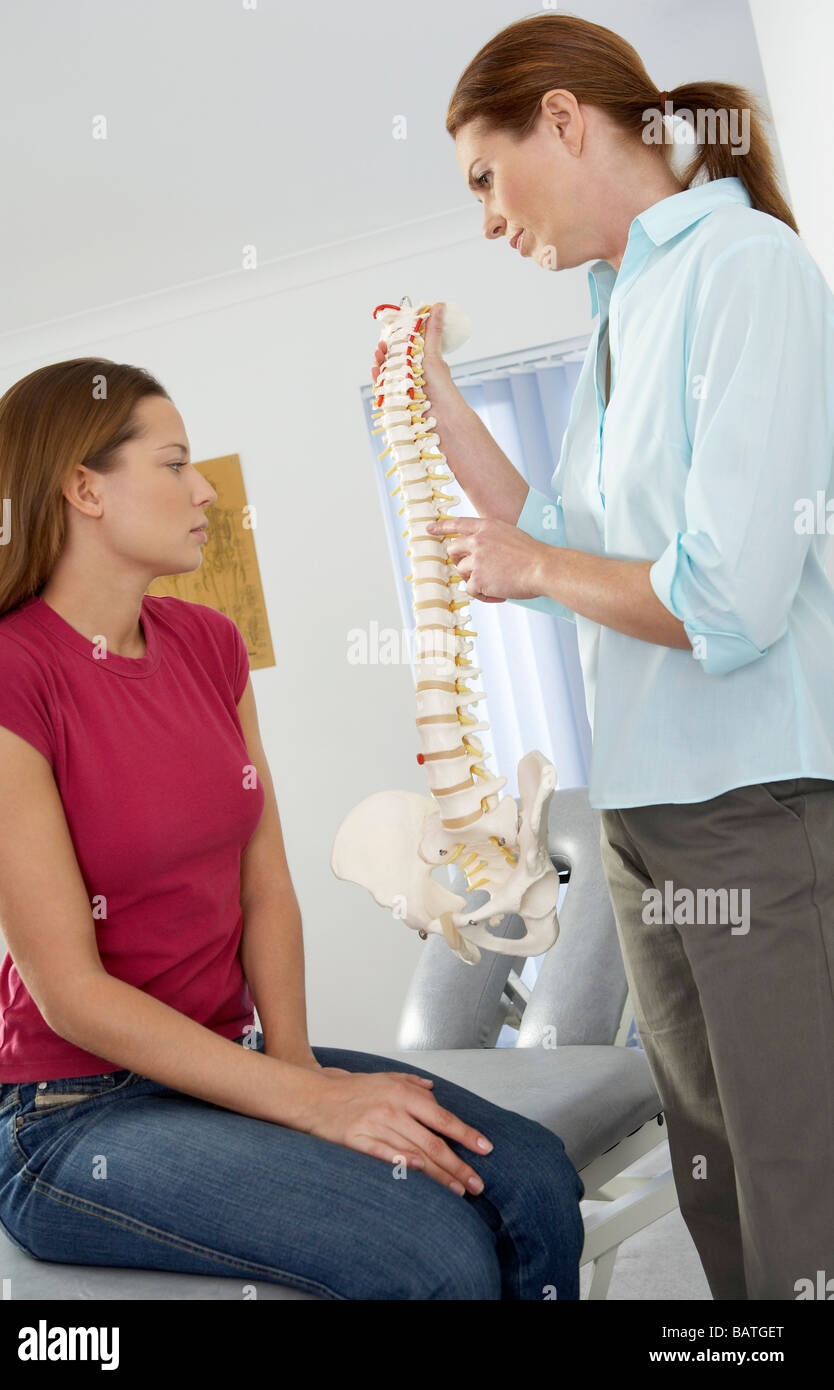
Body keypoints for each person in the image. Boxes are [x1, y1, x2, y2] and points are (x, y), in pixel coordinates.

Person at [382, 13, 834, 1300]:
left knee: (795, 1182)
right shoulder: (620, 303)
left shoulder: (744, 267)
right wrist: (442, 408)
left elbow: (728, 597)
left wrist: (531, 568)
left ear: (566, 120)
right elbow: (562, 538)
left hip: (749, 802)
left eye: (484, 174)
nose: (483, 220)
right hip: (644, 813)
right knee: (713, 1177)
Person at [0, 364, 585, 1300]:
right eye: (175, 464)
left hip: (228, 1061)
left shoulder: (208, 646)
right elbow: (72, 995)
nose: (205, 487)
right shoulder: (1, 678)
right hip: (74, 1115)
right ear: (84, 488)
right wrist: (305, 1101)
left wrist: (296, 1073)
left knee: (533, 1176)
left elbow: (266, 886)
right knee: (429, 1251)